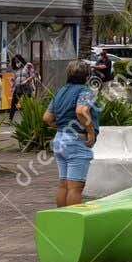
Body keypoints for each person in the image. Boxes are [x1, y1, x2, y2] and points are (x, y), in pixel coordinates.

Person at [44, 59, 99, 208]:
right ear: (87, 76)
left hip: (60, 139)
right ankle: (72, 220)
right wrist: (90, 132)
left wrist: (63, 128)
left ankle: (61, 219)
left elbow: (47, 118)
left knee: (64, 185)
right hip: (76, 141)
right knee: (75, 188)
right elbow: (81, 111)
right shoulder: (85, 91)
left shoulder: (61, 91)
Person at [7, 53, 37, 122]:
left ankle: (29, 119)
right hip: (18, 87)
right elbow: (16, 79)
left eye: (17, 61)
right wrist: (12, 81)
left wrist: (26, 81)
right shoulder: (16, 69)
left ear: (21, 60)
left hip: (26, 87)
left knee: (27, 104)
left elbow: (33, 75)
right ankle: (10, 119)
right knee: (13, 103)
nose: (17, 63)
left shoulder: (28, 65)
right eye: (15, 62)